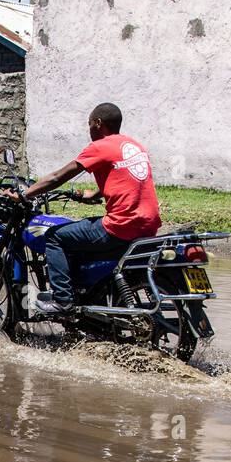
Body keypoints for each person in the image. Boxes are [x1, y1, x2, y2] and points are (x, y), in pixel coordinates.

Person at [17, 103, 162, 315]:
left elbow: (59, 176)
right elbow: (128, 180)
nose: (89, 129)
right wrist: (94, 194)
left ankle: (62, 301)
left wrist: (25, 193)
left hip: (121, 225)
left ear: (98, 123)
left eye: (89, 124)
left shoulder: (101, 146)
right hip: (148, 224)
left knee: (55, 237)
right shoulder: (133, 145)